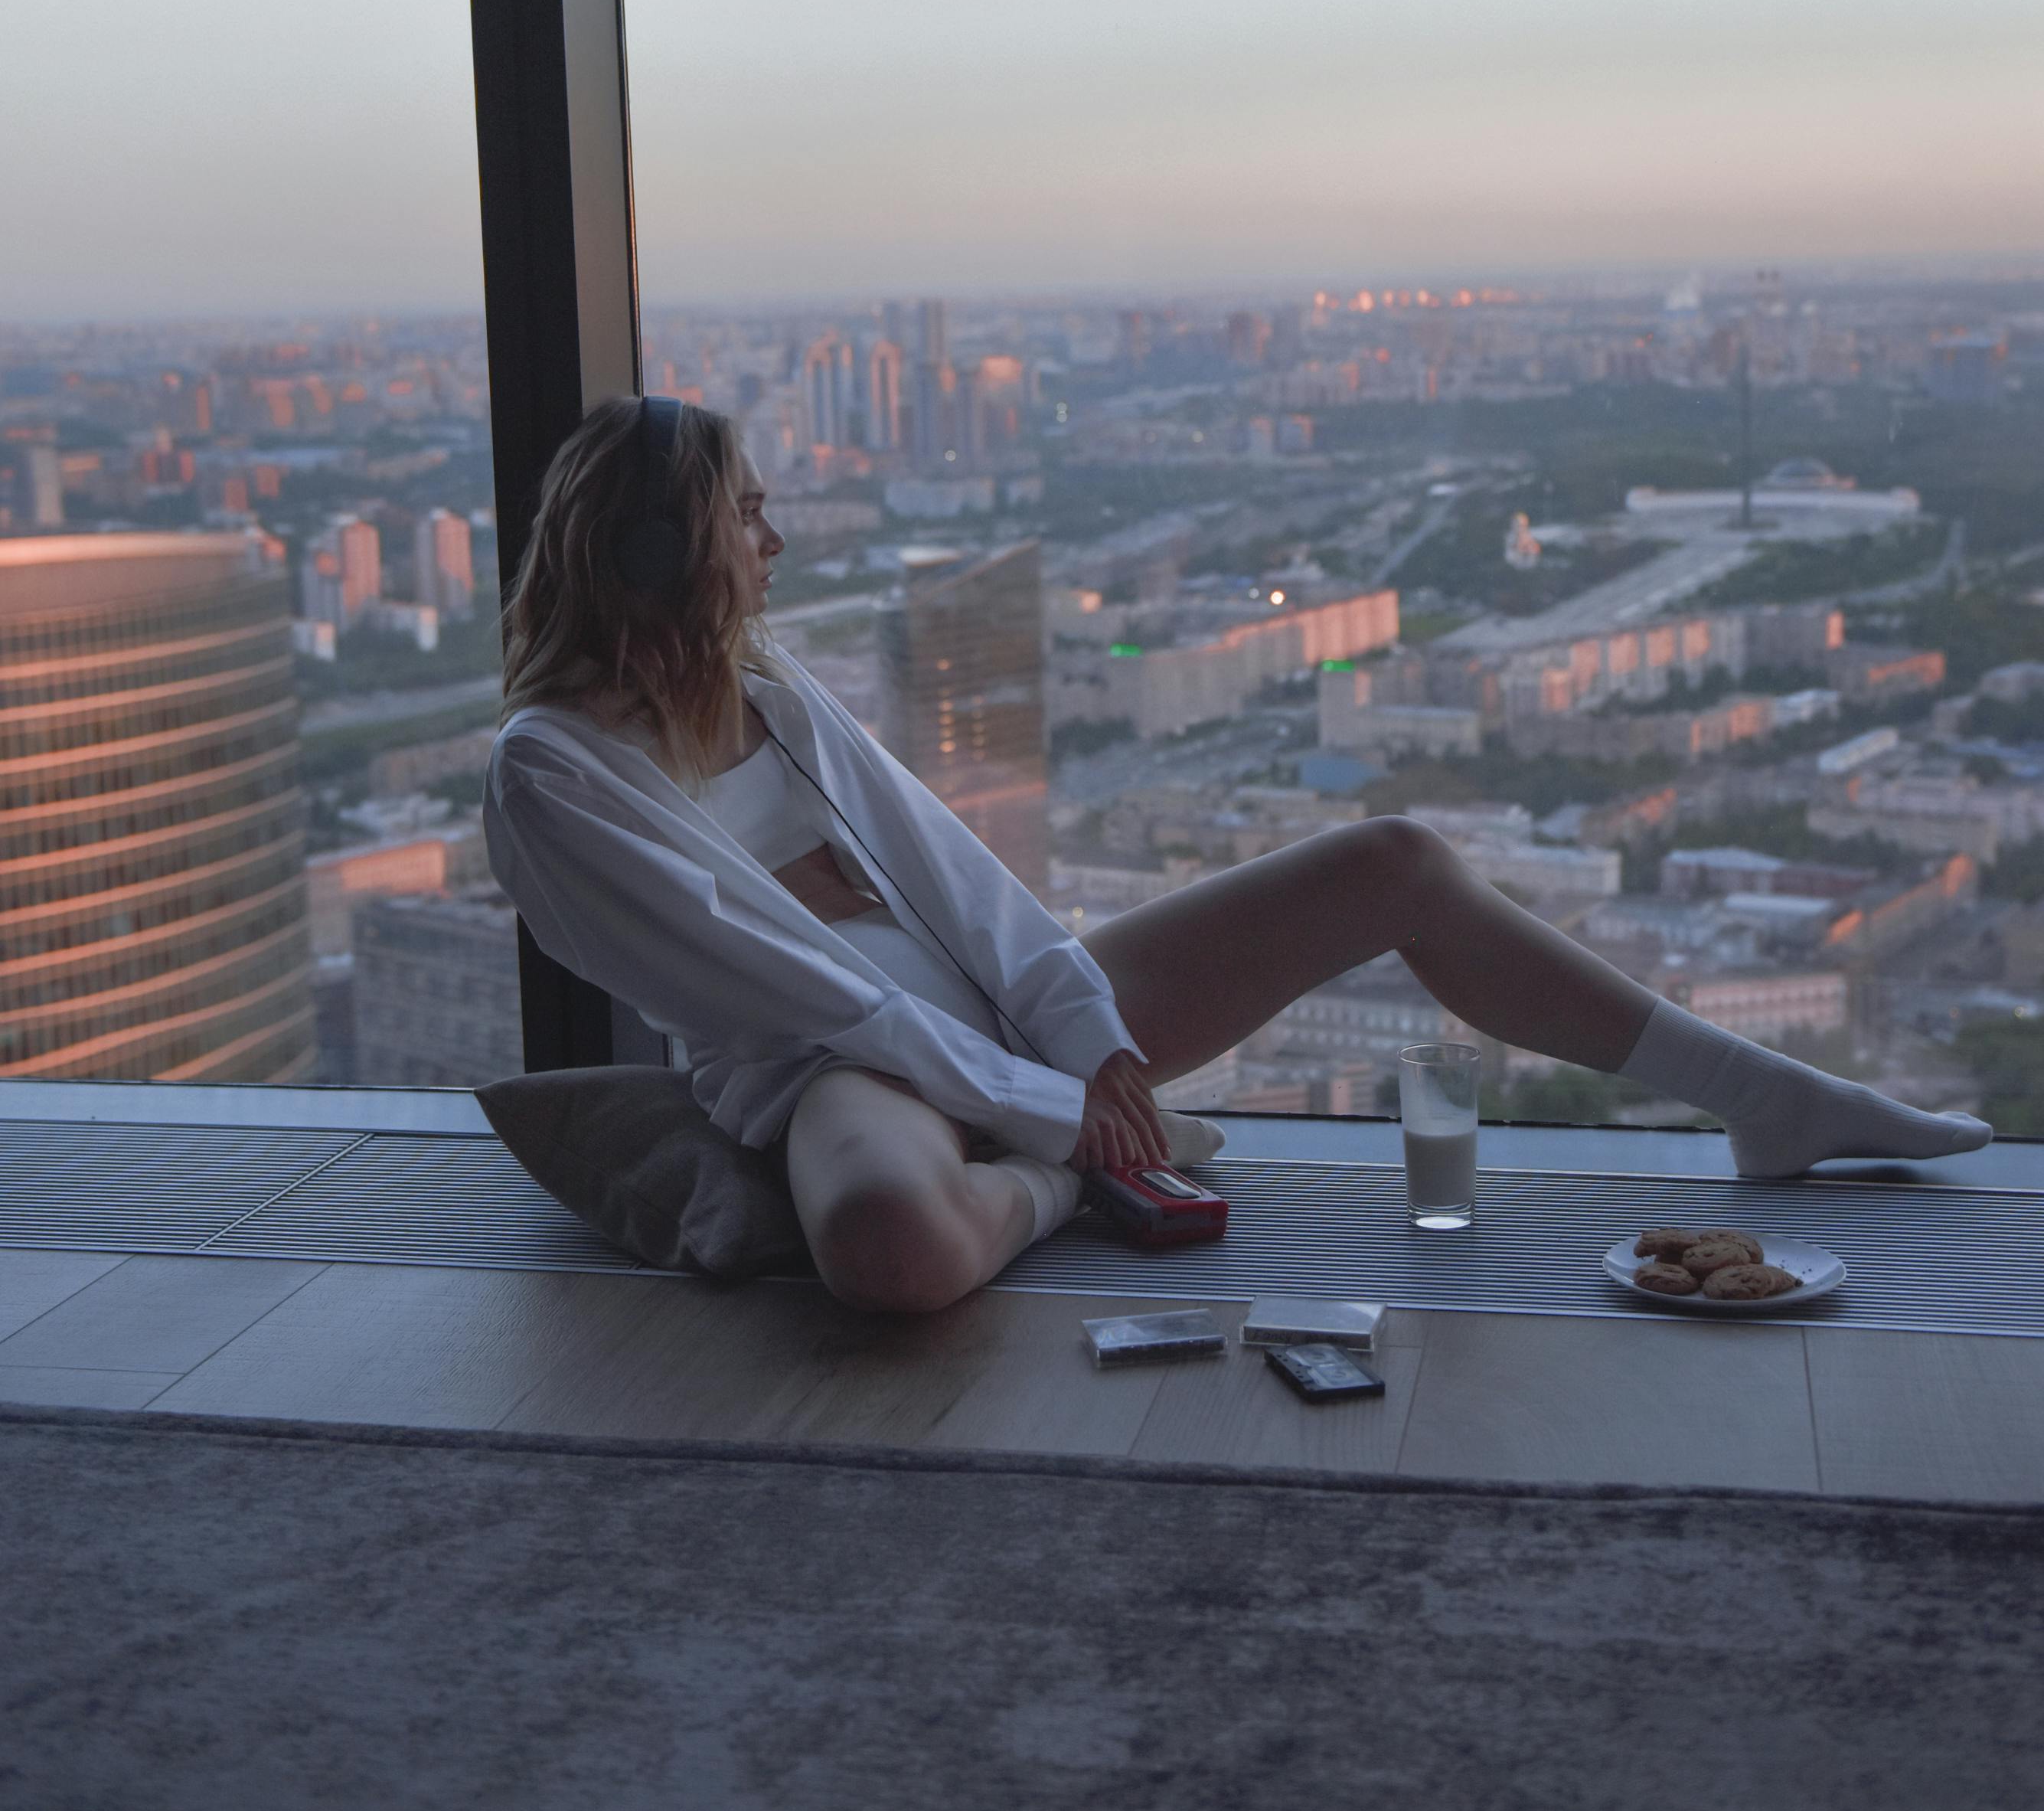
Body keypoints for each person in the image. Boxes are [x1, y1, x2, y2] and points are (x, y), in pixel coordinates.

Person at [484, 397, 1991, 1315]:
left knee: (1394, 853)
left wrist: (1082, 1036)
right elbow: (812, 995)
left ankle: (1765, 1093)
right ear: (659, 553)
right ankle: (1066, 1190)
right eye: (748, 518)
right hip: (841, 1077)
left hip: (1003, 1036)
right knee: (887, 1250)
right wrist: (1068, 1126)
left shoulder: (774, 693)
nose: (776, 548)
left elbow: (963, 889)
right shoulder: (553, 775)